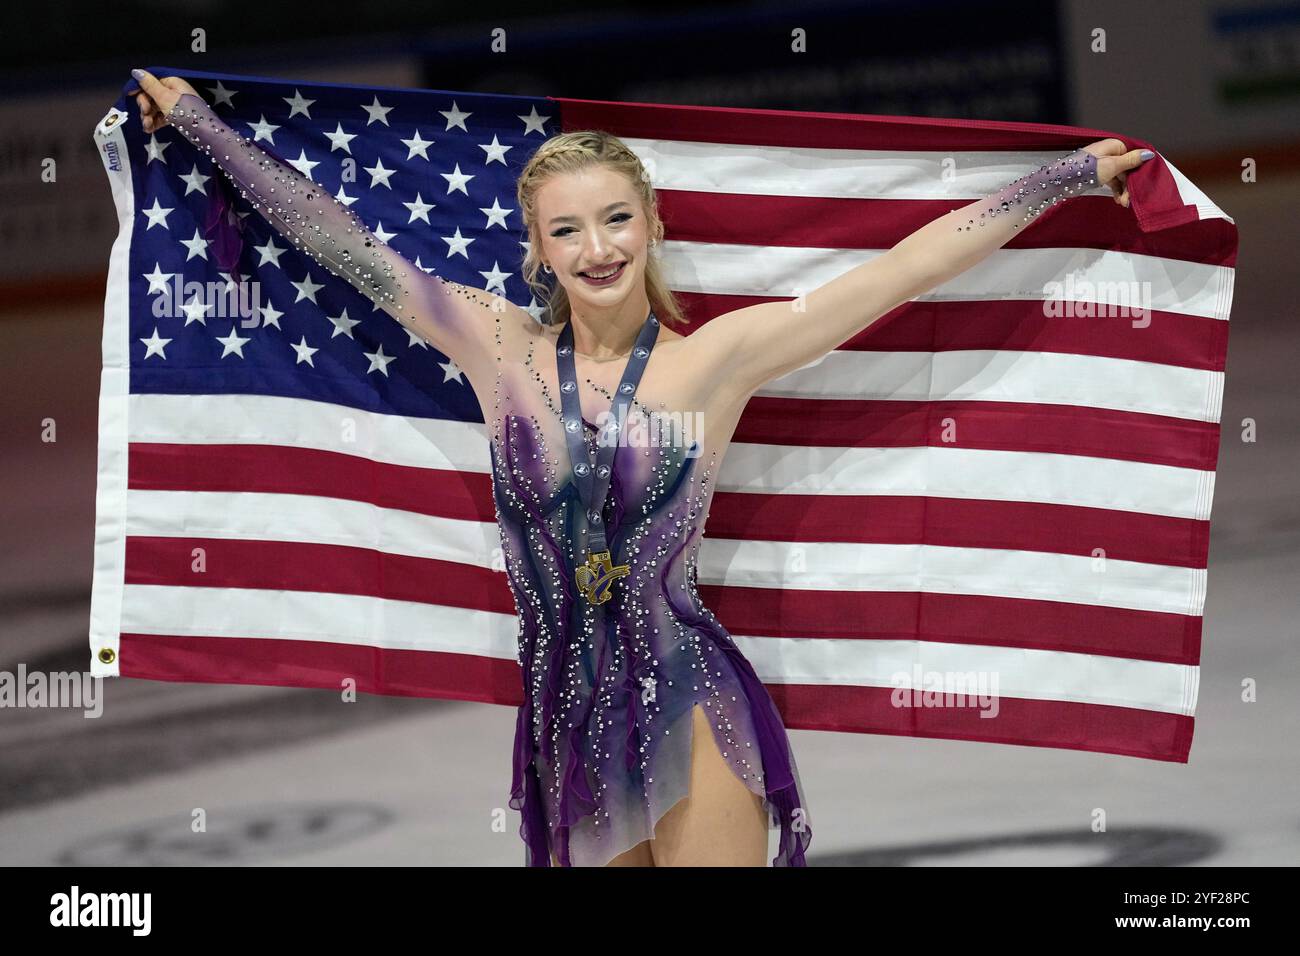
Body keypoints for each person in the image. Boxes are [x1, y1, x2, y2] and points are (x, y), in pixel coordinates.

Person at [128, 68, 1151, 867]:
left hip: (691, 692)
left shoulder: (719, 357)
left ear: (653, 227)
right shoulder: (497, 347)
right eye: (566, 229)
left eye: (617, 218)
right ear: (535, 252)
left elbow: (902, 273)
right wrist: (203, 130)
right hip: (566, 717)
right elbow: (342, 246)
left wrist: (1061, 177)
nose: (597, 246)